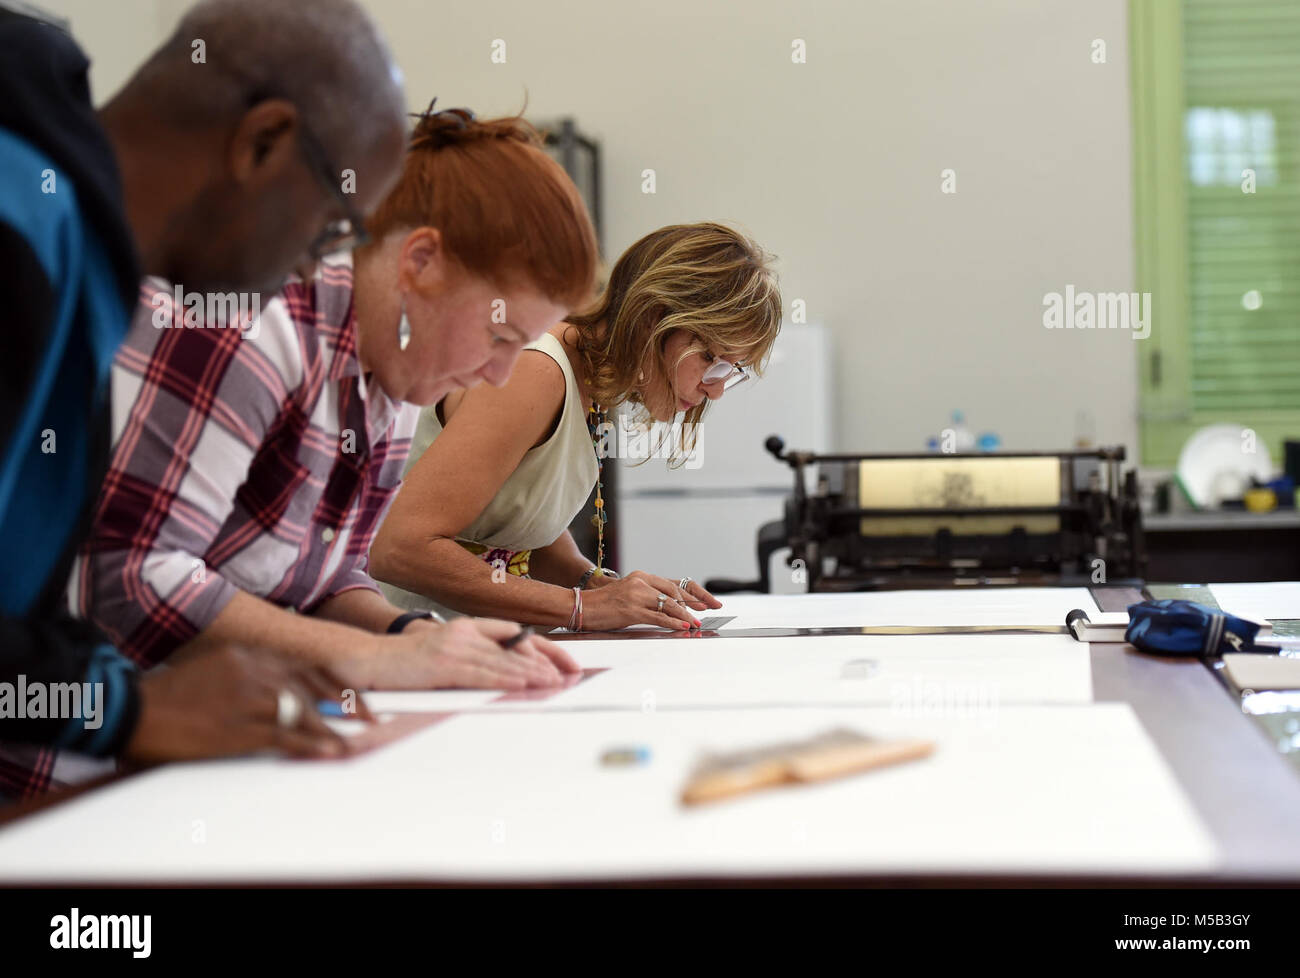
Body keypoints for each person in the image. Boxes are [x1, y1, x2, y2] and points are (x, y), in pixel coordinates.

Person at [0, 0, 408, 801]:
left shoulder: (87, 265)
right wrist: (124, 708)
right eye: (331, 225)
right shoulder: (22, 219)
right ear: (264, 142)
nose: (305, 270)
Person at [75, 109, 598, 690]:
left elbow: (326, 574)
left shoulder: (395, 368)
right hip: (85, 736)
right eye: (499, 336)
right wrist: (372, 658)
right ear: (420, 264)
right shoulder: (250, 322)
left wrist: (416, 636)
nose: (501, 375)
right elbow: (133, 573)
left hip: (227, 720)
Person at [371, 223, 783, 631]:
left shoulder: (593, 381)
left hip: (462, 646)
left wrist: (597, 583)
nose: (716, 392)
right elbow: (399, 548)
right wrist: (584, 607)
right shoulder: (536, 370)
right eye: (715, 361)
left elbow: (514, 518)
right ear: (653, 318)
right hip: (394, 642)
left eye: (733, 372)